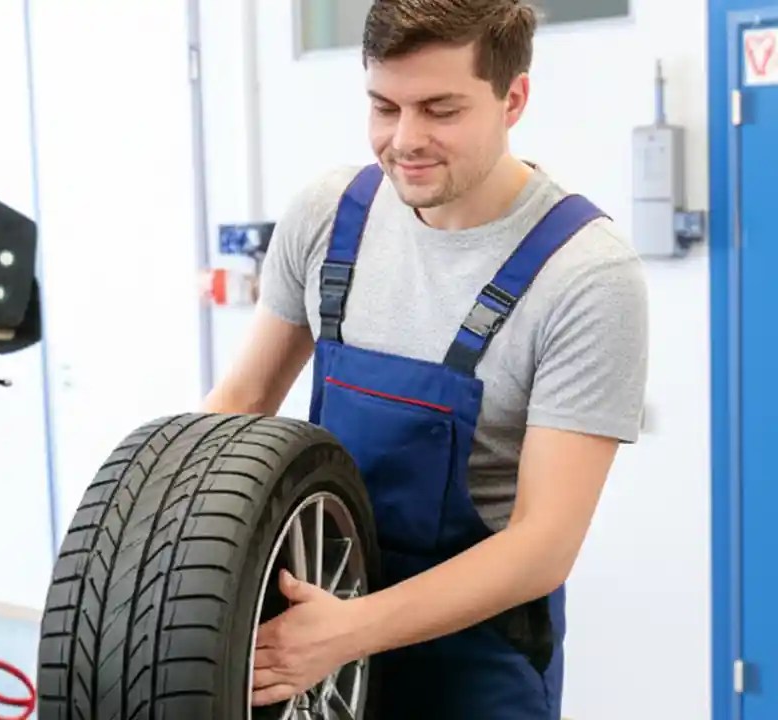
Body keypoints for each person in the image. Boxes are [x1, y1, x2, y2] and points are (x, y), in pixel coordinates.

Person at [202, 0, 649, 717]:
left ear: (513, 99)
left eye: (440, 110)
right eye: (384, 106)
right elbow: (241, 400)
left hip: (473, 665)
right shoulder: (326, 215)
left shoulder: (586, 275)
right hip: (311, 619)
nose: (404, 140)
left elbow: (543, 545)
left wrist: (348, 632)